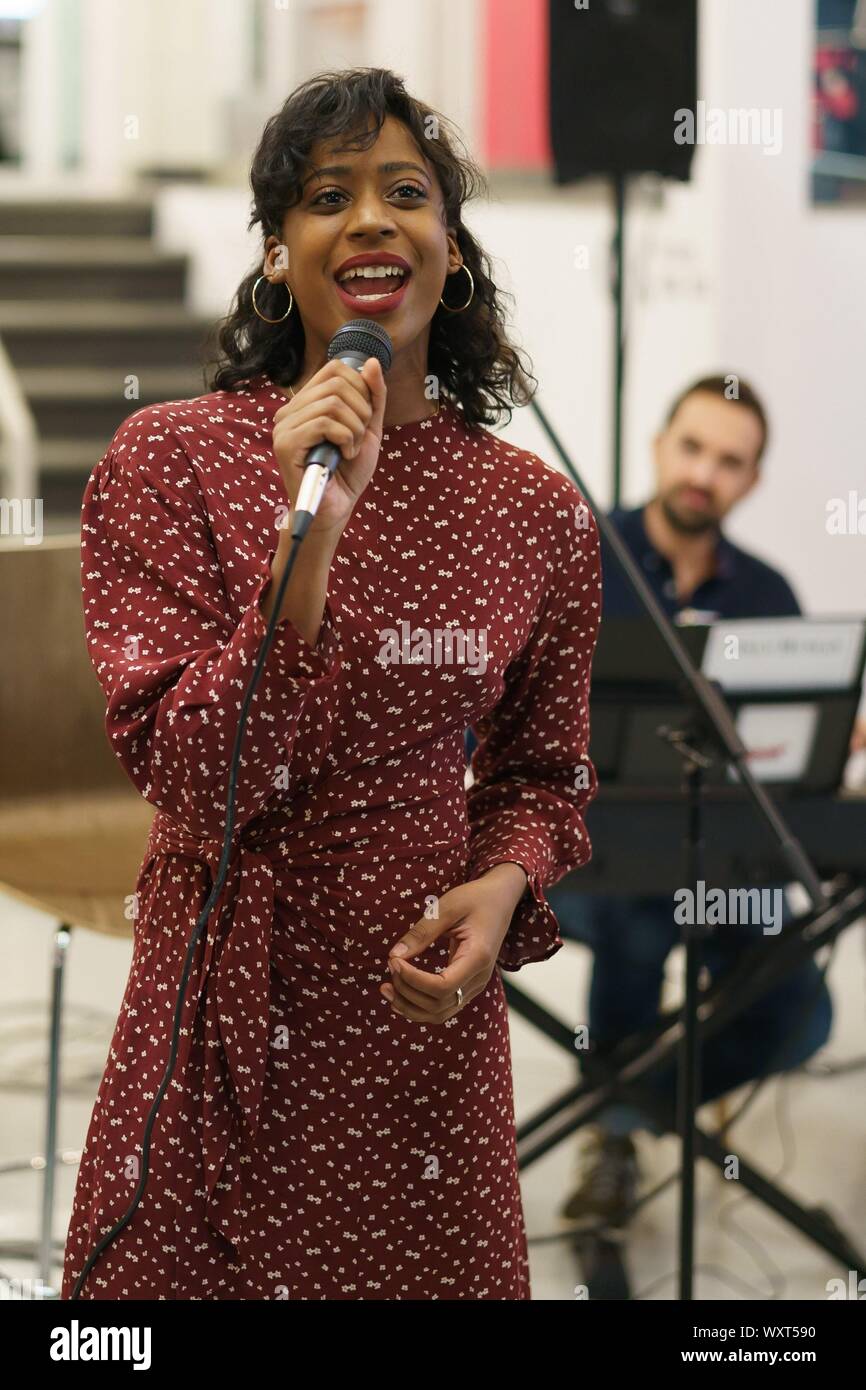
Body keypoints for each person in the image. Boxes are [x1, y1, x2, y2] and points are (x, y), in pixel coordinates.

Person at [61, 68, 601, 1301]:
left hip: (418, 1021)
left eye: (404, 193)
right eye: (325, 196)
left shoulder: (536, 512)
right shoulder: (173, 460)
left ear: (447, 251)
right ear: (276, 256)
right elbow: (200, 767)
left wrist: (500, 883)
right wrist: (315, 532)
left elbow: (540, 775)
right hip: (218, 1002)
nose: (368, 219)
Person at [547, 375, 834, 1228]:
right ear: (660, 446)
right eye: (694, 448)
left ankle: (626, 1109)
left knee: (801, 1011)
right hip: (594, 854)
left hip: (726, 859)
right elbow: (498, 707)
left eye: (730, 461)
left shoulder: (769, 596)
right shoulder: (581, 556)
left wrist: (826, 738)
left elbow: (793, 752)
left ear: (751, 480)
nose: (705, 472)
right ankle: (617, 1137)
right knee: (637, 923)